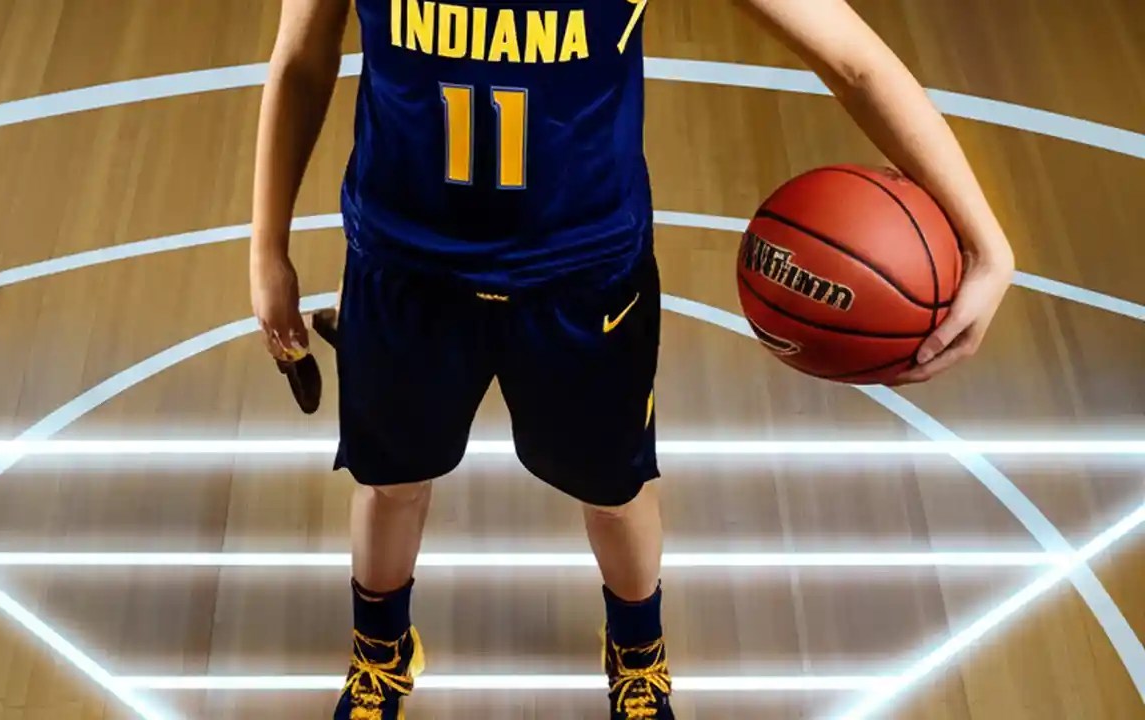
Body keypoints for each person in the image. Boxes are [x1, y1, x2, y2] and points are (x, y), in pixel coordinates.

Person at [249, 0, 1015, 717]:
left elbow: (853, 59)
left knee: (615, 490)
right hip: (404, 269)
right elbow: (302, 60)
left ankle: (637, 651)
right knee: (389, 483)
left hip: (583, 282)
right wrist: (266, 252)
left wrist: (986, 241)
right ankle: (382, 651)